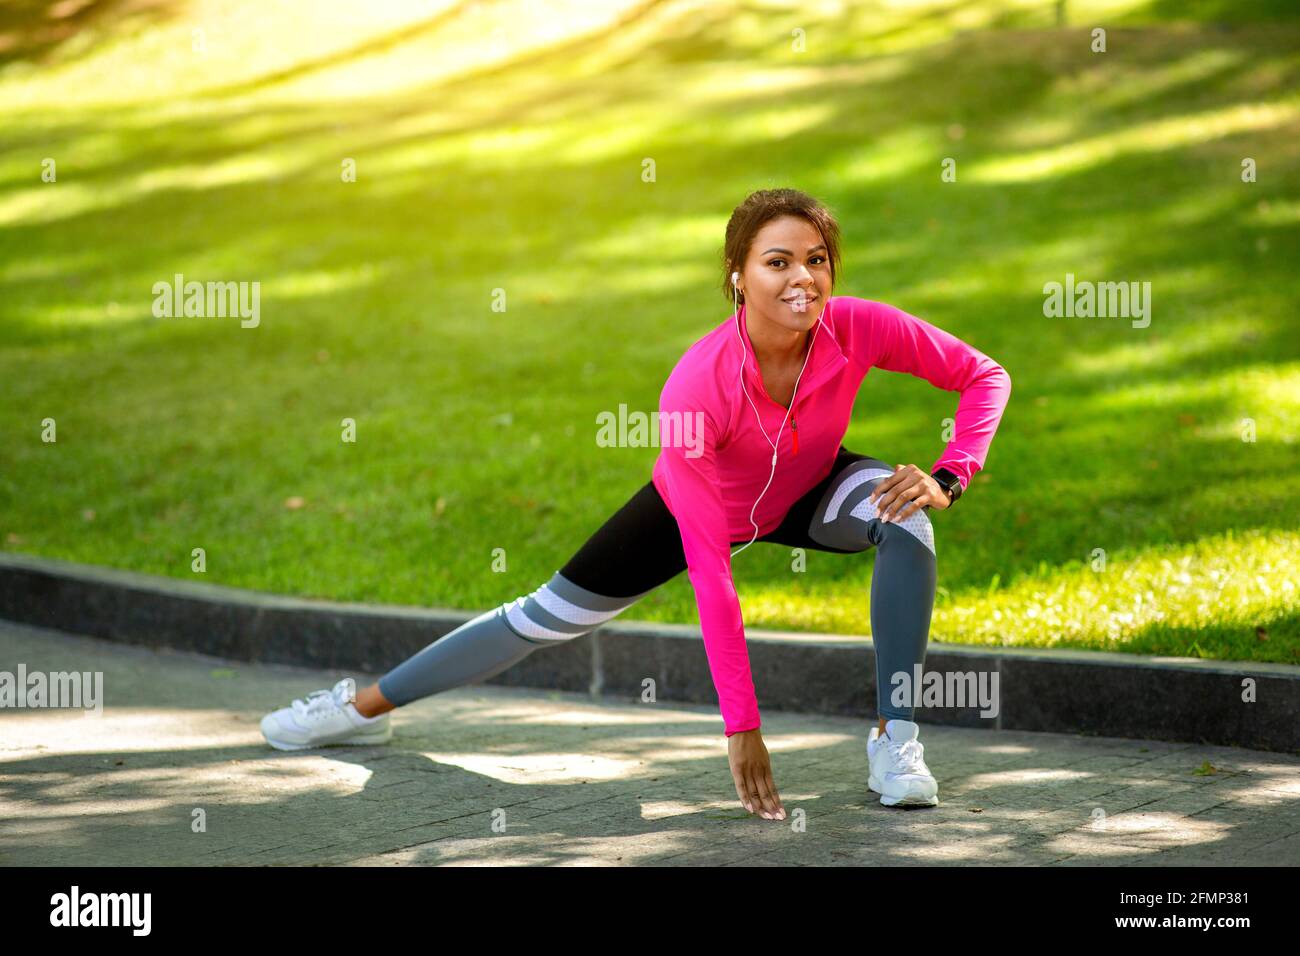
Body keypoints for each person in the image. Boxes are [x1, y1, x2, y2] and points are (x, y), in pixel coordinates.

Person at [260, 187, 1012, 818]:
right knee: (539, 619)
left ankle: (895, 739)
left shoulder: (859, 327)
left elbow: (985, 375)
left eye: (817, 261)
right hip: (700, 508)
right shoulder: (694, 388)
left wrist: (949, 473)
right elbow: (712, 576)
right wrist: (741, 727)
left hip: (812, 487)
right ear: (737, 276)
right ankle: (357, 713)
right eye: (777, 261)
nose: (802, 279)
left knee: (905, 517)